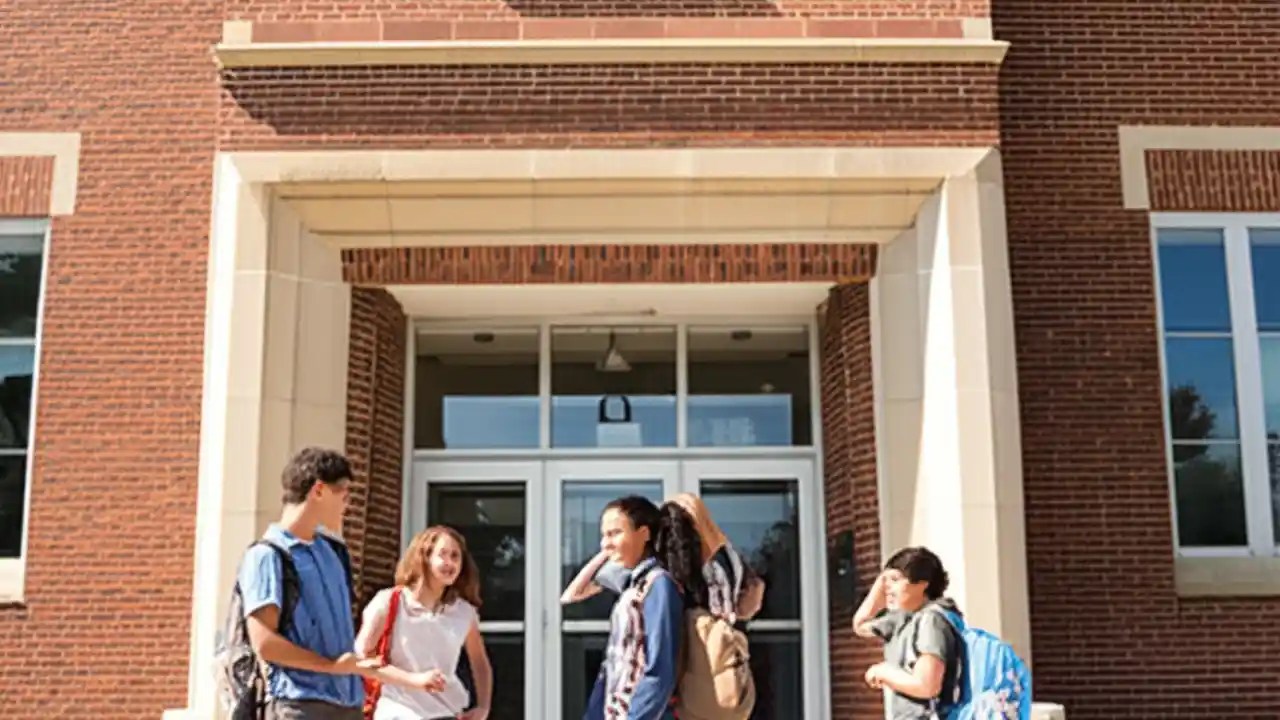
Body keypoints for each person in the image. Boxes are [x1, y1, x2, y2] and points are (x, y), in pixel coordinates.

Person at [238, 447, 377, 720]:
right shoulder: (267, 556)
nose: (347, 507)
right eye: (344, 495)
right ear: (319, 491)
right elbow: (264, 643)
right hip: (299, 705)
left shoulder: (334, 553)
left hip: (349, 705)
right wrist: (330, 667)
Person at [561, 492, 764, 625]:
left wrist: (607, 550)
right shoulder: (727, 561)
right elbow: (746, 609)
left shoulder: (655, 568)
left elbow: (571, 595)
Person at [356, 525, 493, 720]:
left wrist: (483, 706)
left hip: (446, 712)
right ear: (424, 557)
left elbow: (480, 662)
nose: (450, 562)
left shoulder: (463, 613)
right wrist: (413, 680)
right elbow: (362, 659)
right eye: (442, 554)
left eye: (456, 556)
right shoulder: (389, 602)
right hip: (397, 711)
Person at [583, 496, 702, 720]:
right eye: (603, 535)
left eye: (615, 533)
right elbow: (613, 667)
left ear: (644, 534)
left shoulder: (660, 585)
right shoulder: (631, 588)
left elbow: (659, 670)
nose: (605, 544)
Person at [851, 546, 962, 720]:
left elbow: (927, 685)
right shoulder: (904, 618)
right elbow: (861, 624)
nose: (887, 587)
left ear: (922, 584)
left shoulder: (932, 620)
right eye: (885, 582)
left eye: (895, 580)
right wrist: (881, 583)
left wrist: (884, 672)